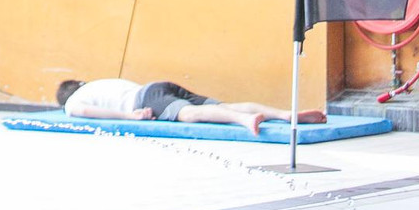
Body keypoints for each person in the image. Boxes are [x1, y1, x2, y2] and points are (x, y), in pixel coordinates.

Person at [55, 77, 327, 137]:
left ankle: (245, 120)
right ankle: (283, 114)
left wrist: (129, 115)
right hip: (158, 86)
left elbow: (83, 112)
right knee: (223, 106)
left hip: (146, 100)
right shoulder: (97, 83)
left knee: (189, 115)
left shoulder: (73, 101)